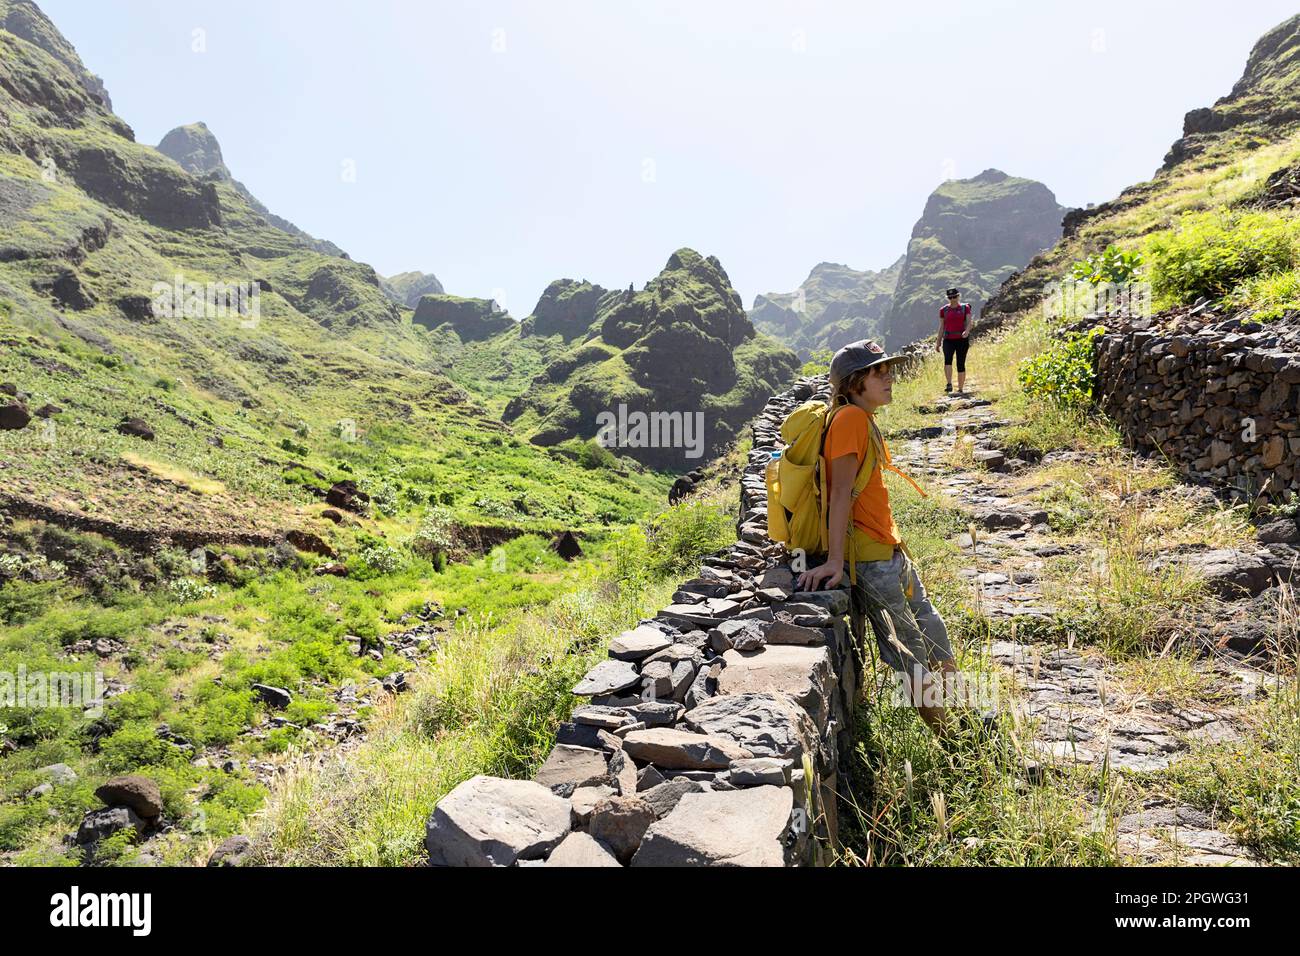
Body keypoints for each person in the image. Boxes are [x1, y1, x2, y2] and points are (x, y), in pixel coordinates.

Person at [796, 340, 959, 735]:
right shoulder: (850, 419)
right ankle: (951, 742)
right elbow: (839, 493)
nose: (888, 377)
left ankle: (962, 718)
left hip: (889, 550)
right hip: (869, 560)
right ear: (854, 382)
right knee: (911, 655)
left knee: (934, 635)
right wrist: (836, 561)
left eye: (888, 369)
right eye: (877, 372)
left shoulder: (862, 416)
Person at [935, 288, 971, 394]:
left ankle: (960, 389)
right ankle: (949, 384)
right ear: (947, 298)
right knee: (947, 360)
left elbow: (969, 322)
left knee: (960, 363)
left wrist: (967, 331)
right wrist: (938, 342)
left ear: (958, 296)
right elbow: (941, 327)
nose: (952, 299)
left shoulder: (965, 308)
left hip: (962, 340)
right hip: (948, 340)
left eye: (954, 297)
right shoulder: (943, 310)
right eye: (950, 297)